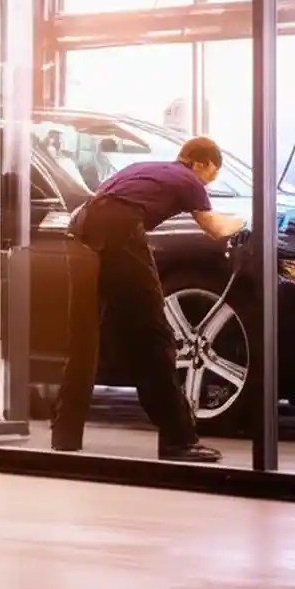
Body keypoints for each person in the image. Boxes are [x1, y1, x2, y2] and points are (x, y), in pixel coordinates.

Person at [60, 137, 245, 463]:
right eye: (211, 175)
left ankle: (65, 436)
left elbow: (105, 201)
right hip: (120, 231)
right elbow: (214, 228)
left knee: (84, 341)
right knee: (154, 337)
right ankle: (178, 440)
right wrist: (245, 221)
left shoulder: (142, 169)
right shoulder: (189, 179)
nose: (207, 184)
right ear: (200, 162)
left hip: (79, 231)